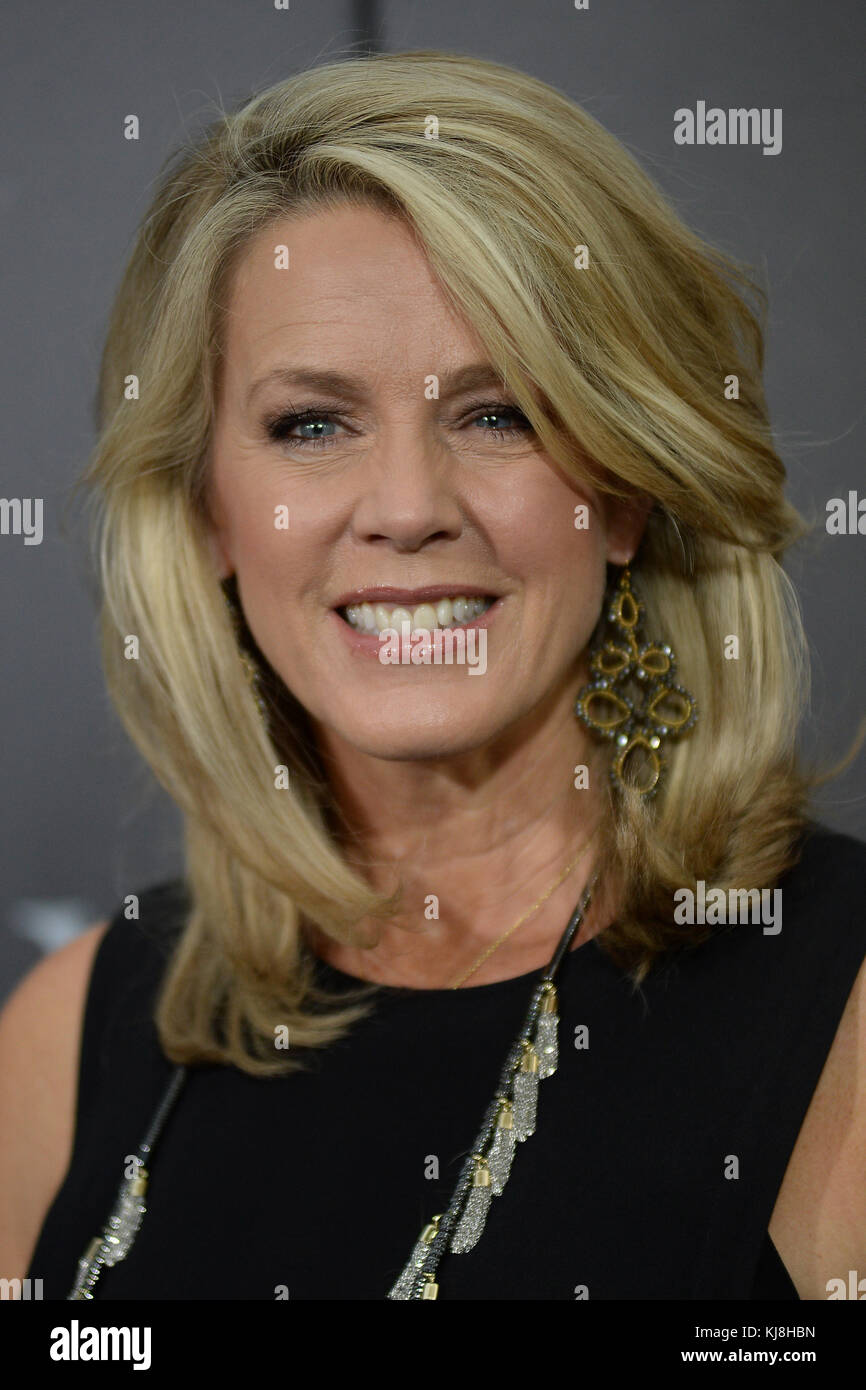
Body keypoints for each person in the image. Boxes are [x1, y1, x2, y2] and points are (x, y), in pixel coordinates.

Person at [2, 49, 864, 1302]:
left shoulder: (839, 1004)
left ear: (621, 492)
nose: (406, 509)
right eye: (311, 423)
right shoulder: (69, 1031)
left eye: (497, 411)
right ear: (208, 515)